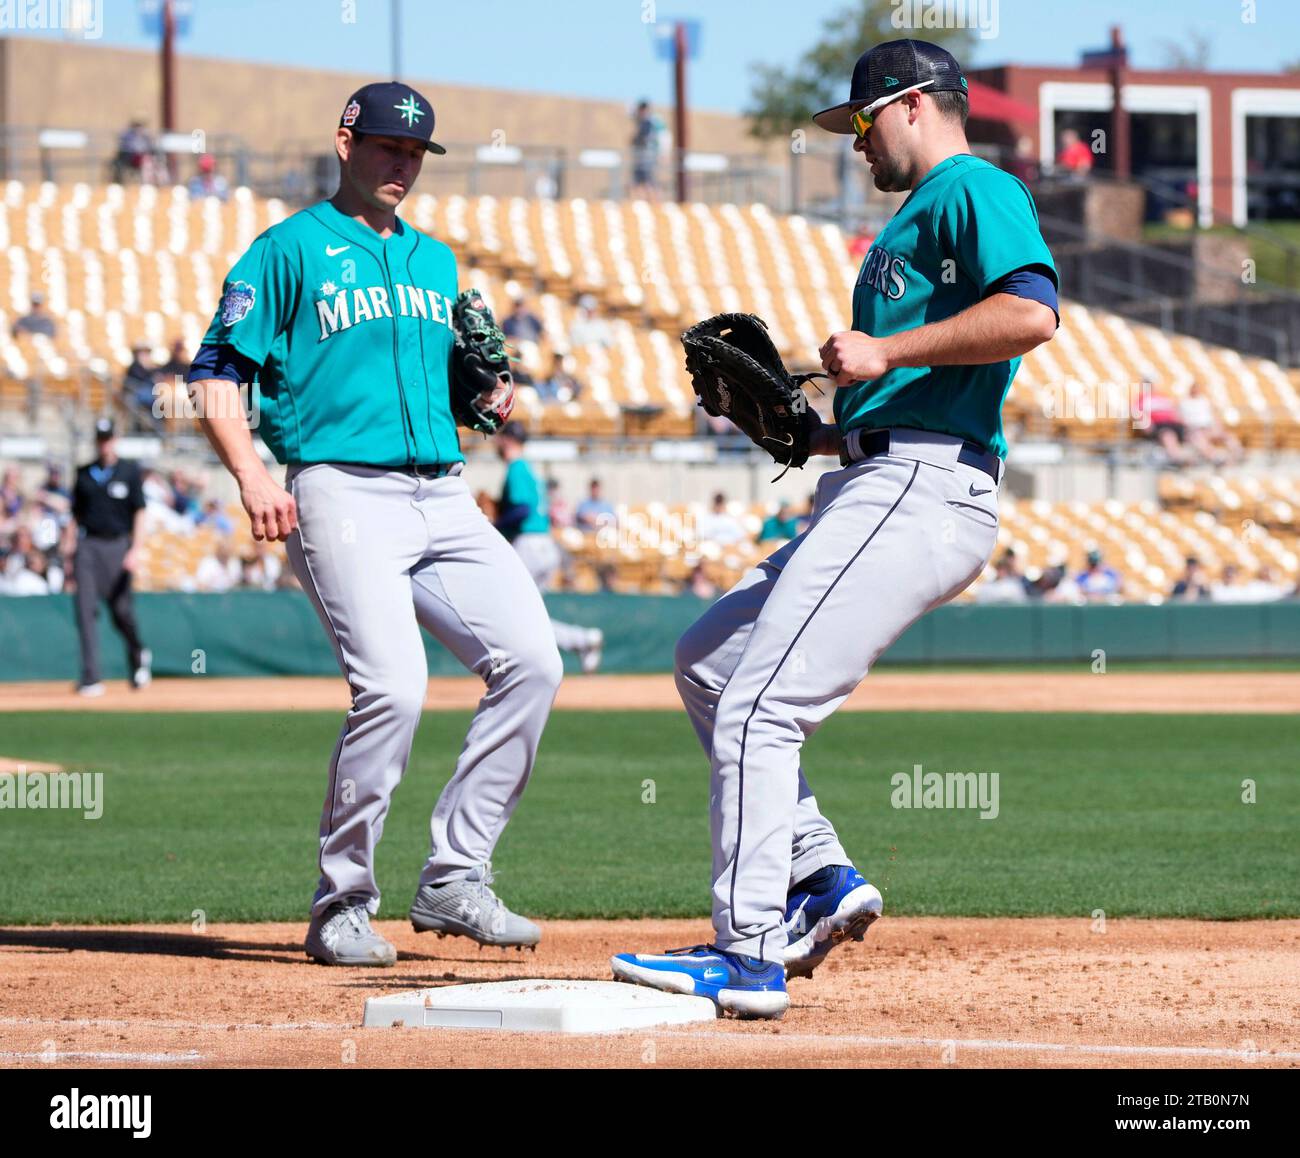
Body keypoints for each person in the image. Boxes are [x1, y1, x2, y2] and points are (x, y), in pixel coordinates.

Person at [612, 39, 1058, 1018]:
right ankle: (817, 878)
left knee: (761, 708)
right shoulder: (909, 224)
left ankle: (747, 955)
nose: (854, 146)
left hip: (917, 486)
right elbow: (906, 393)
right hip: (877, 472)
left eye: (859, 124)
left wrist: (884, 348)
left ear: (909, 105)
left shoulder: (970, 189)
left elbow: (1030, 316)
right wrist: (813, 433)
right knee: (710, 663)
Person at [187, 82, 561, 968]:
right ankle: (342, 903)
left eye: (417, 153)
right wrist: (250, 473)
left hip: (444, 493)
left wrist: (483, 393)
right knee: (393, 688)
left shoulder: (436, 262)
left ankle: (455, 876)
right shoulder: (288, 252)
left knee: (534, 664)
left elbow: (453, 381)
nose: (403, 163)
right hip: (342, 491)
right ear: (346, 142)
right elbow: (213, 373)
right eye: (390, 146)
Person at [494, 422, 604, 673]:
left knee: (505, 609)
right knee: (527, 617)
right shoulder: (529, 470)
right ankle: (582, 641)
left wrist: (494, 525)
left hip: (529, 545)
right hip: (544, 545)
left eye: (500, 438)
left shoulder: (516, 468)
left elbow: (521, 510)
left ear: (508, 440)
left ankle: (503, 666)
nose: (497, 443)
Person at [69, 418, 152, 696]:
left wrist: (136, 549)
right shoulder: (83, 473)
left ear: (115, 440)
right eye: (100, 438)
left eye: (108, 438)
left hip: (118, 546)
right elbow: (75, 514)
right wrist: (69, 547)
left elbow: (139, 512)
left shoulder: (128, 472)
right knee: (85, 609)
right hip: (88, 546)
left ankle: (138, 653)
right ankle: (91, 677)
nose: (104, 443)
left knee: (121, 612)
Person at [1180, 382, 1242, 466]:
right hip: (1196, 430)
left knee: (1228, 436)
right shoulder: (1184, 402)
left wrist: (1218, 427)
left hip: (1208, 427)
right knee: (1201, 441)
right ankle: (1215, 458)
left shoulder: (1204, 401)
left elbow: (1213, 415)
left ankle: (1237, 454)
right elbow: (1183, 419)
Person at [629, 100, 665, 200]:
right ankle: (642, 202)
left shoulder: (649, 123)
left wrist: (635, 140)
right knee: (638, 182)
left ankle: (654, 202)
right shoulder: (644, 122)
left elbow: (644, 139)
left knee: (648, 182)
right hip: (641, 158)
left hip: (646, 157)